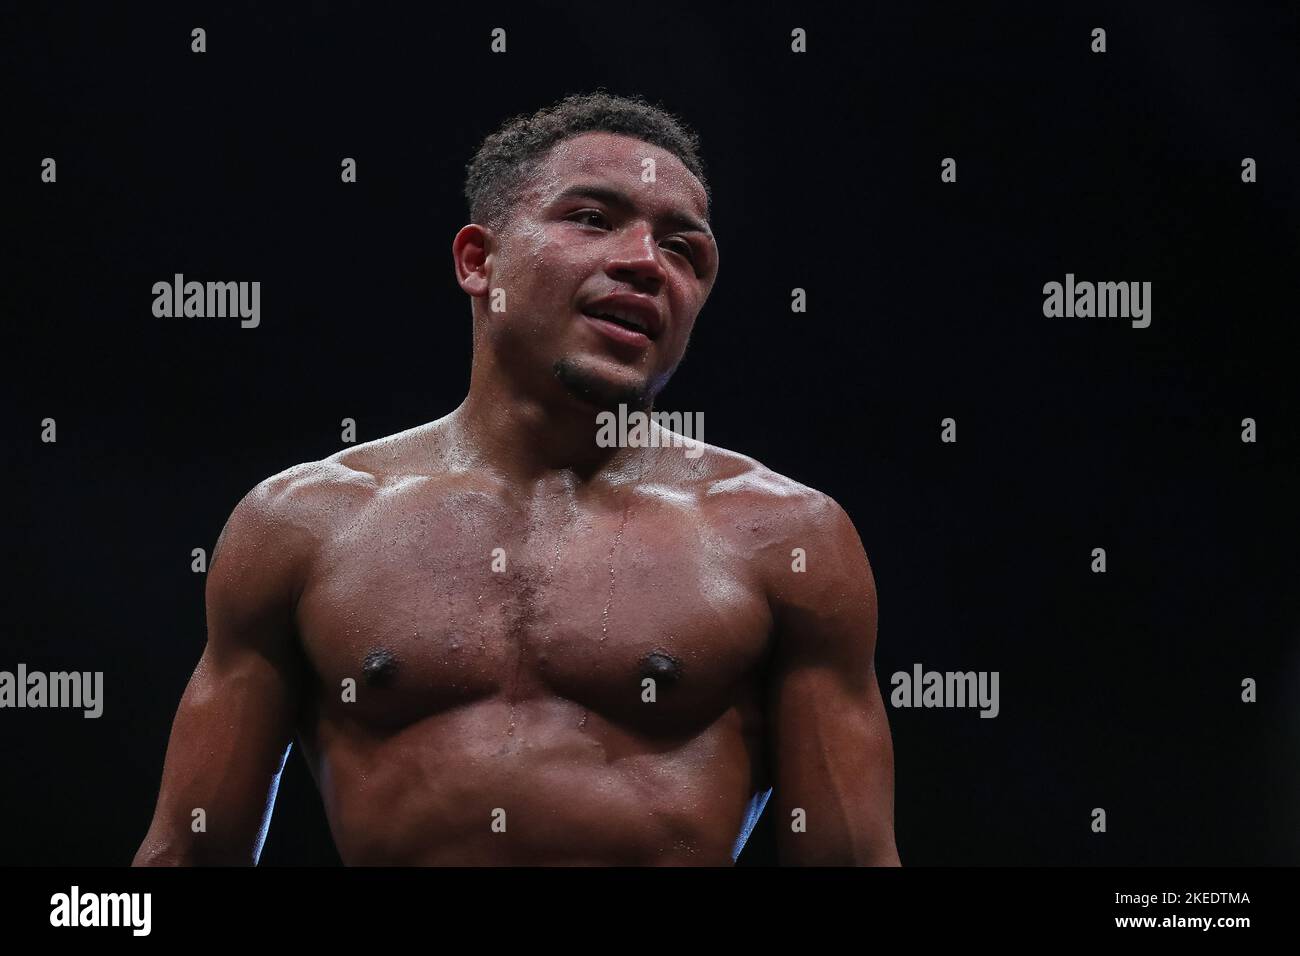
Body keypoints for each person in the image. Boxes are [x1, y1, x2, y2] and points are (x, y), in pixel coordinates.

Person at [133, 91, 900, 866]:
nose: (645, 261)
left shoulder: (784, 536)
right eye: (593, 219)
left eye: (683, 249)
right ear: (478, 261)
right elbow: (187, 856)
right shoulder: (304, 521)